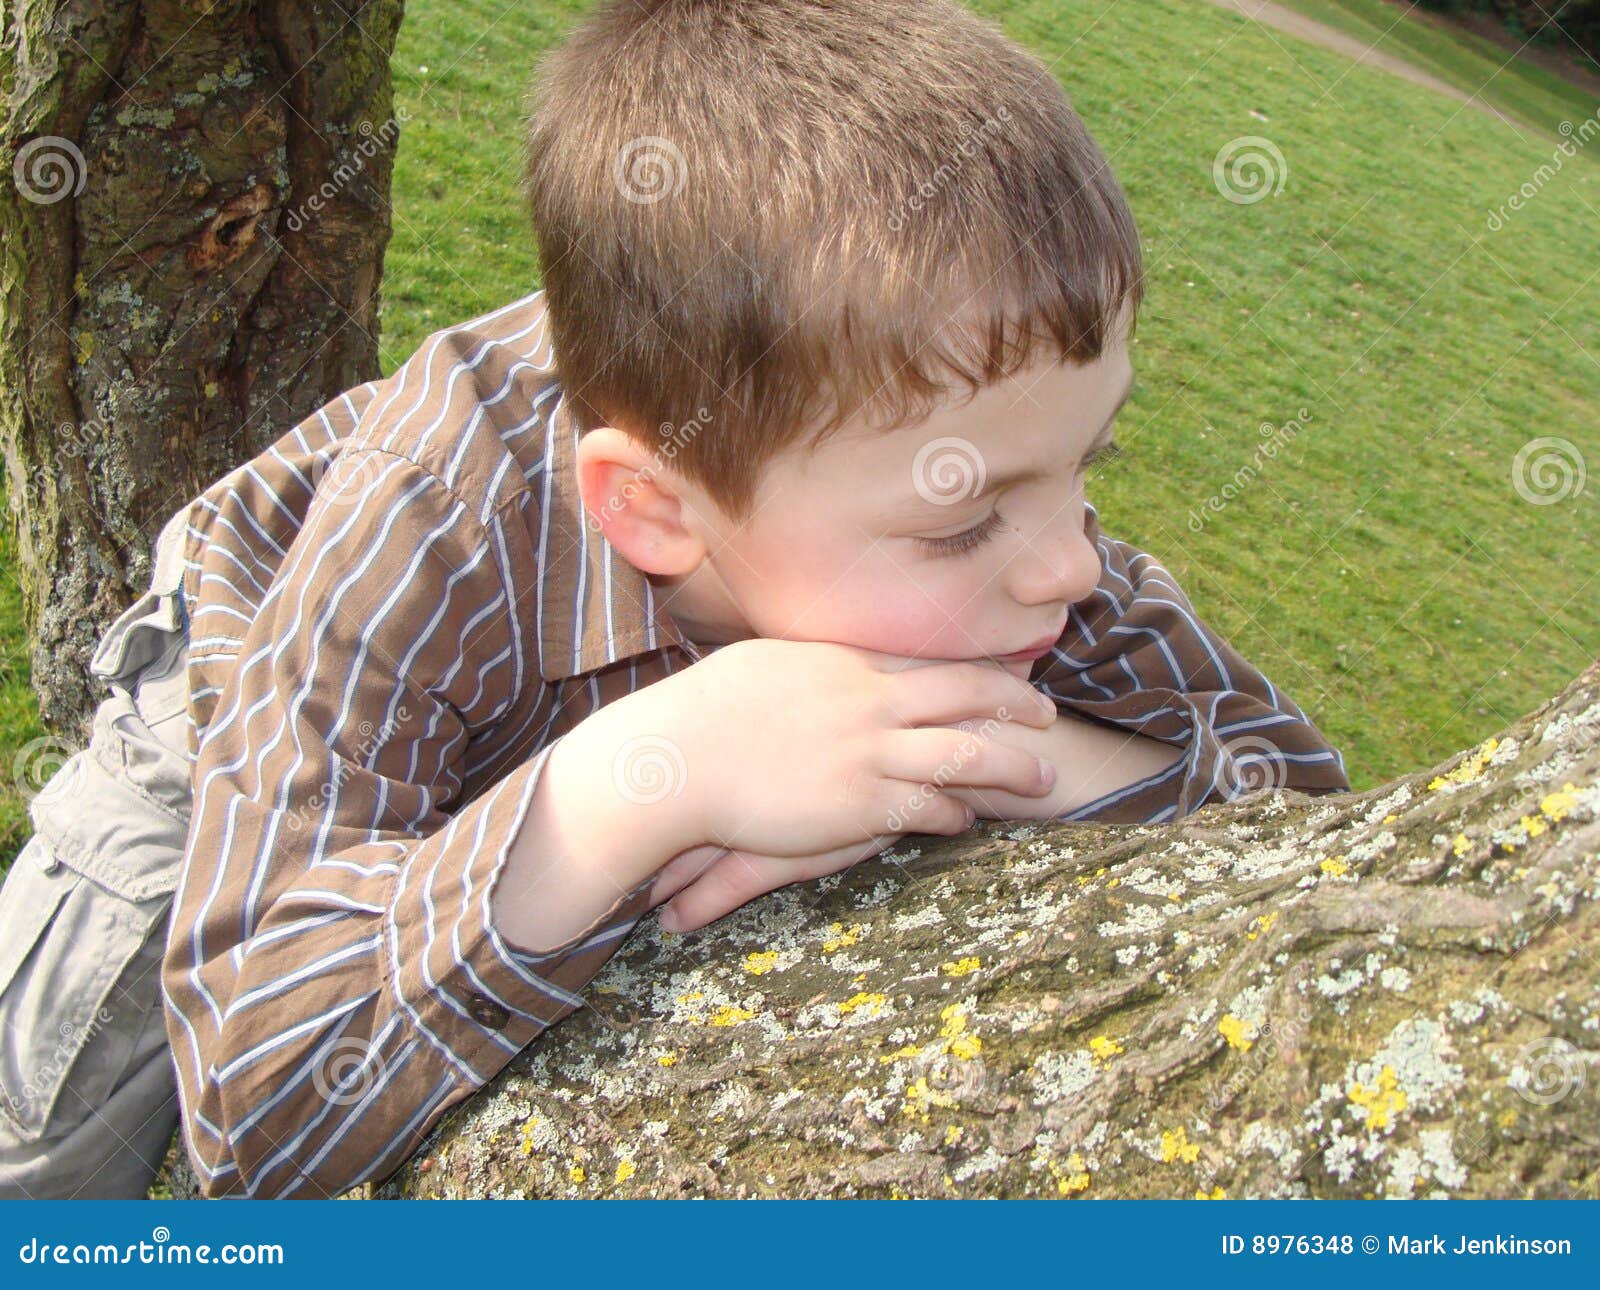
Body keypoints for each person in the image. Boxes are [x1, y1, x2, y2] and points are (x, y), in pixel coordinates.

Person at [0, 0, 1349, 1200]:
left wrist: (1016, 754)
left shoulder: (982, 492)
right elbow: (254, 1109)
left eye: (1088, 464)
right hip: (225, 718)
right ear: (650, 507)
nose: (1070, 565)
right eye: (968, 517)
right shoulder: (430, 527)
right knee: (52, 1163)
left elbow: (1312, 823)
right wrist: (648, 783)